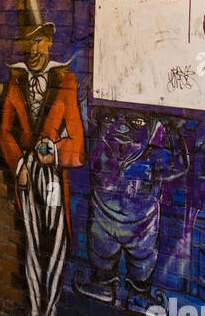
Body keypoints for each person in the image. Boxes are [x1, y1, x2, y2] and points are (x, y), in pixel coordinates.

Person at [0, 0, 84, 316]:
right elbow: (4, 132)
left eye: (38, 42)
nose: (32, 50)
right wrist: (19, 167)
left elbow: (77, 140)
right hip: (27, 176)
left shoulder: (66, 81)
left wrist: (56, 154)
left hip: (53, 178)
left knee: (56, 249)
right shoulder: (16, 82)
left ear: (48, 42)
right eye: (26, 44)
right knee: (32, 248)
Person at [78, 109, 186, 304]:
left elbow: (180, 165)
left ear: (152, 129)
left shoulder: (153, 156)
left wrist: (173, 132)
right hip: (103, 221)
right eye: (110, 118)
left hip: (141, 226)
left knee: (142, 262)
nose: (121, 126)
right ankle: (104, 285)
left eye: (136, 121)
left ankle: (139, 294)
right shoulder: (100, 150)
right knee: (101, 254)